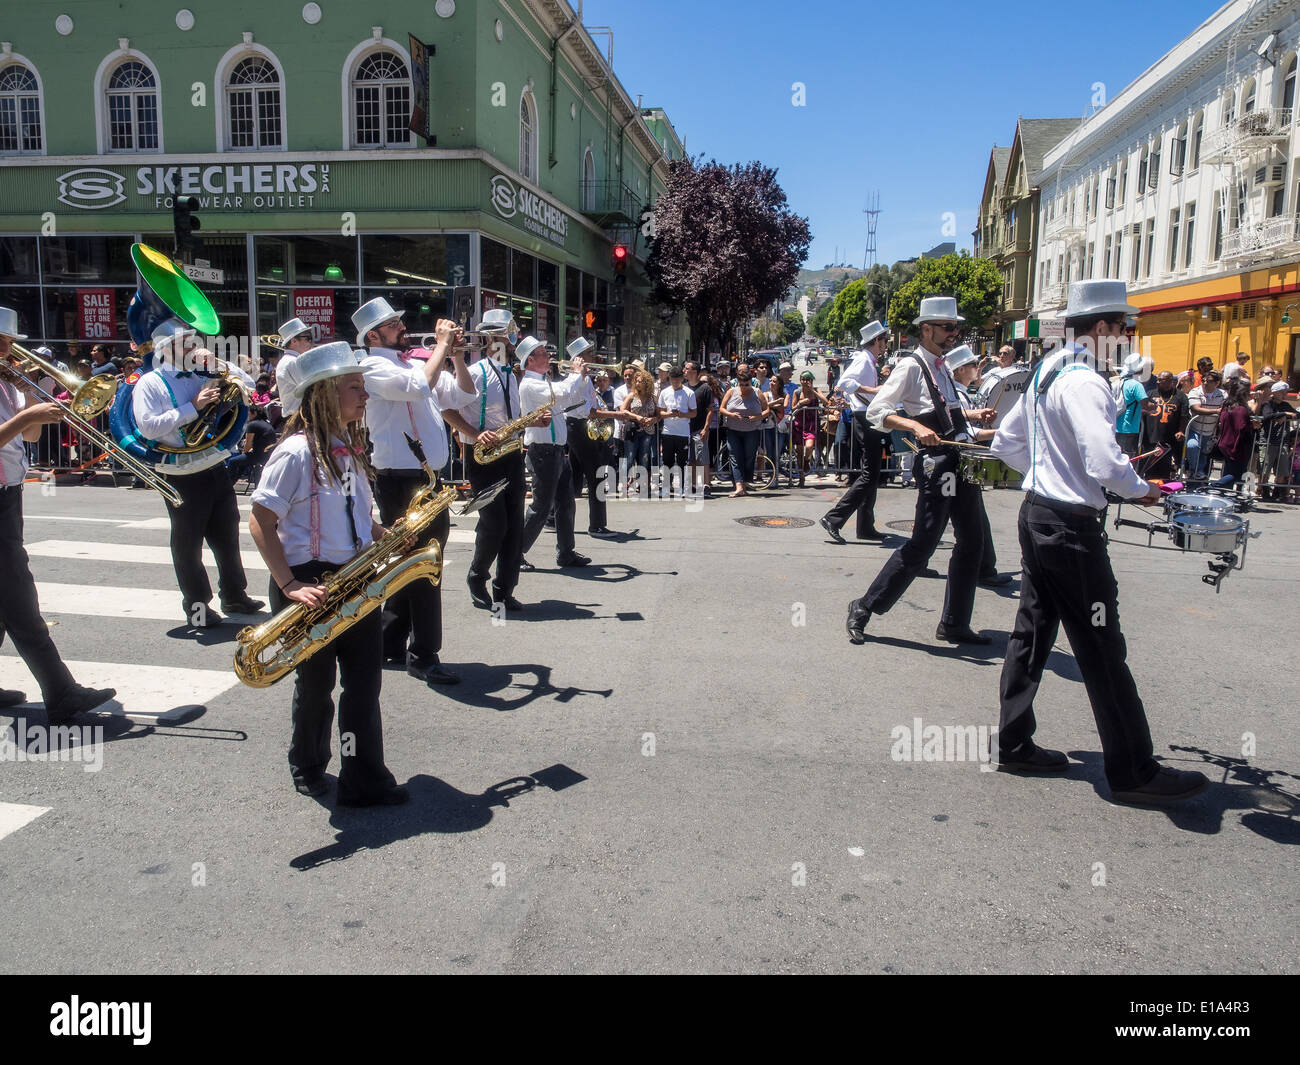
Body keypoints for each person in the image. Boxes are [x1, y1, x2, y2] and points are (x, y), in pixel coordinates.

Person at [989, 279, 1208, 804]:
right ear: (1104, 328)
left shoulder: (1046, 369)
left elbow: (1005, 442)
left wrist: (1048, 475)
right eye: (1125, 329)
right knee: (1102, 649)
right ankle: (1133, 771)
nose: (1130, 338)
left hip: (1038, 514)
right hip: (1069, 530)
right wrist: (1141, 490)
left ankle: (1014, 744)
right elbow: (1105, 463)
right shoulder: (1086, 380)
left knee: (1032, 633)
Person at [249, 342, 407, 806]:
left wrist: (379, 532)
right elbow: (260, 521)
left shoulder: (350, 449)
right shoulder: (296, 451)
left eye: (363, 386)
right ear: (322, 395)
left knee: (363, 682)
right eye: (354, 387)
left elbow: (351, 512)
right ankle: (307, 764)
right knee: (317, 685)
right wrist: (289, 585)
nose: (365, 396)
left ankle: (365, 779)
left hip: (353, 576)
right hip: (309, 582)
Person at [845, 296, 995, 646]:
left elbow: (947, 412)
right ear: (926, 329)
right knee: (922, 545)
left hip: (959, 461)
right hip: (937, 465)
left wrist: (974, 420)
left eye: (956, 327)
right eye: (947, 327)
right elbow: (877, 411)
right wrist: (913, 428)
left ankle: (954, 623)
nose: (953, 333)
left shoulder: (942, 366)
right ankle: (864, 606)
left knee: (973, 542)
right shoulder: (911, 366)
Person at [0, 307, 116, 718]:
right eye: (4, 342)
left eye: (12, 342)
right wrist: (27, 415)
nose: (11, 350)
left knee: (4, 598)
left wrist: (30, 396)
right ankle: (61, 692)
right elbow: (17, 429)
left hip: (8, 494)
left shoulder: (6, 386)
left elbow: (28, 435)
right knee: (19, 598)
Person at [353, 297, 473, 686]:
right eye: (393, 325)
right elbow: (418, 387)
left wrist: (454, 355)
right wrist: (439, 346)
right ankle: (424, 654)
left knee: (411, 564)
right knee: (426, 567)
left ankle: (390, 641)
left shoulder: (414, 363)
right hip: (402, 481)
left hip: (426, 480)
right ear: (373, 335)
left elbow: (465, 395)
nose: (402, 328)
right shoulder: (372, 364)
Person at [131, 324, 264, 627]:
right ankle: (197, 607)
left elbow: (248, 384)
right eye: (184, 343)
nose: (193, 347)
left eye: (193, 341)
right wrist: (193, 407)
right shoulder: (150, 383)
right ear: (165, 349)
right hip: (181, 472)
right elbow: (149, 427)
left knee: (227, 535)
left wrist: (217, 364)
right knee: (188, 542)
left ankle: (234, 594)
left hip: (214, 464)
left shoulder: (199, 374)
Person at [442, 329, 529, 612]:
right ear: (489, 340)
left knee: (515, 525)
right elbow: (447, 410)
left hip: (511, 452)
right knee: (495, 524)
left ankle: (505, 590)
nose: (509, 343)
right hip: (483, 455)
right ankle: (477, 577)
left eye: (510, 338)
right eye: (504, 338)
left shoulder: (509, 374)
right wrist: (475, 433)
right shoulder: (475, 372)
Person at [518, 337, 590, 570]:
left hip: (557, 450)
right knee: (541, 507)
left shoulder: (544, 380)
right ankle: (515, 553)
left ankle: (566, 552)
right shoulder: (530, 383)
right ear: (531, 360)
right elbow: (561, 392)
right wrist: (576, 373)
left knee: (566, 504)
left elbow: (570, 398)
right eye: (542, 353)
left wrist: (582, 379)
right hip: (543, 452)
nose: (549, 355)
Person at [820, 320, 888, 542]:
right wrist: (872, 389)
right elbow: (844, 383)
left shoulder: (868, 360)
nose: (886, 344)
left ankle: (865, 526)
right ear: (876, 341)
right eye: (884, 340)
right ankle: (834, 518)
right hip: (864, 418)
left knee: (871, 473)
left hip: (867, 417)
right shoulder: (863, 360)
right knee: (870, 474)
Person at [564, 337, 622, 534]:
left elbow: (593, 407)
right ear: (579, 358)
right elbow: (590, 412)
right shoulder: (578, 380)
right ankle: (597, 525)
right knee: (596, 476)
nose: (593, 356)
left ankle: (553, 516)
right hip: (579, 427)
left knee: (574, 476)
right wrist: (618, 414)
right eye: (589, 353)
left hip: (578, 427)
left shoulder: (586, 379)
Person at [717, 361, 768, 497]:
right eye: (742, 384)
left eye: (747, 384)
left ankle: (745, 482)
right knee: (735, 457)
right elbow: (721, 408)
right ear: (737, 382)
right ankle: (739, 486)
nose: (744, 387)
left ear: (751, 382)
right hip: (733, 430)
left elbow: (767, 410)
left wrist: (758, 417)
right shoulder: (731, 392)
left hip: (752, 431)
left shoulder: (757, 392)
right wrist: (731, 414)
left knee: (749, 457)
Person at [1139, 371, 1187, 481]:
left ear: (1171, 381)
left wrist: (1181, 430)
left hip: (1169, 438)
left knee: (1164, 466)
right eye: (1158, 379)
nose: (1157, 381)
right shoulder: (1150, 393)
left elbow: (1183, 416)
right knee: (1149, 465)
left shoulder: (1180, 396)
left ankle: (1162, 490)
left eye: (1161, 380)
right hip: (1150, 436)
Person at [657, 365, 696, 497]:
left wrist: (682, 414)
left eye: (677, 380)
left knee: (682, 461)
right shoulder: (664, 392)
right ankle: (666, 487)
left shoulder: (689, 393)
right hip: (668, 432)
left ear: (682, 378)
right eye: (672, 380)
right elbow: (660, 412)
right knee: (667, 461)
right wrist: (669, 414)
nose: (674, 382)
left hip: (683, 433)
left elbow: (694, 413)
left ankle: (684, 487)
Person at [620, 369, 660, 496]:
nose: (637, 383)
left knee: (644, 458)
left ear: (647, 383)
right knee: (629, 458)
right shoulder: (632, 396)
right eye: (636, 381)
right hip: (633, 429)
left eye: (640, 381)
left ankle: (643, 485)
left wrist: (653, 419)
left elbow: (659, 415)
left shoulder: (653, 397)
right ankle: (624, 485)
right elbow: (622, 410)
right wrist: (636, 417)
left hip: (648, 431)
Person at [1211, 378, 1255, 489]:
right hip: (1236, 445)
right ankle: (1215, 486)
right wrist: (1252, 425)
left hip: (1226, 442)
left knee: (1230, 470)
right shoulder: (1240, 409)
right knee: (1236, 474)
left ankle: (1226, 494)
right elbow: (1241, 427)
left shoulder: (1227, 406)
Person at [1257, 381, 1297, 500]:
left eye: (1286, 392)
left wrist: (1286, 416)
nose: (1285, 394)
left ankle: (1277, 492)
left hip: (1282, 441)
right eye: (1282, 392)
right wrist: (1283, 414)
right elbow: (1267, 416)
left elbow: (1296, 414)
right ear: (1274, 393)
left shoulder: (1286, 404)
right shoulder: (1267, 404)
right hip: (1268, 441)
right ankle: (1264, 490)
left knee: (1281, 469)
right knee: (1265, 469)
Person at [789, 370, 828, 487]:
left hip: (811, 423)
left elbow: (825, 402)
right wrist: (801, 404)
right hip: (799, 423)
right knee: (799, 452)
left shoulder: (816, 390)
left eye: (808, 379)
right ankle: (801, 478)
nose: (805, 382)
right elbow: (792, 408)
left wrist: (812, 392)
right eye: (803, 379)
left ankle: (807, 460)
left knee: (809, 446)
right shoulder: (797, 392)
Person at [1185, 370, 1225, 479]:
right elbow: (1196, 408)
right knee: (1192, 446)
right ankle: (1195, 471)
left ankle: (1199, 477)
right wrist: (1217, 411)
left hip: (1211, 431)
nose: (1205, 383)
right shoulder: (1195, 391)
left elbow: (1226, 409)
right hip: (1194, 428)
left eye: (1209, 381)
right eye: (1203, 380)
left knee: (1204, 454)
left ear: (1217, 383)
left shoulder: (1222, 394)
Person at [684, 361, 715, 498]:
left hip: (699, 428)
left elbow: (710, 410)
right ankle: (692, 485)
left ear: (694, 372)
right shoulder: (683, 388)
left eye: (687, 368)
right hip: (685, 429)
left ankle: (706, 485)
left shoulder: (705, 388)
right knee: (690, 459)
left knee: (702, 458)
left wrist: (706, 428)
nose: (684, 370)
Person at [1113, 353, 1147, 457]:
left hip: (1115, 427)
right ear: (1140, 369)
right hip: (1130, 429)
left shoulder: (1118, 382)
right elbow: (1146, 404)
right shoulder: (1136, 385)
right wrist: (1156, 406)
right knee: (1129, 459)